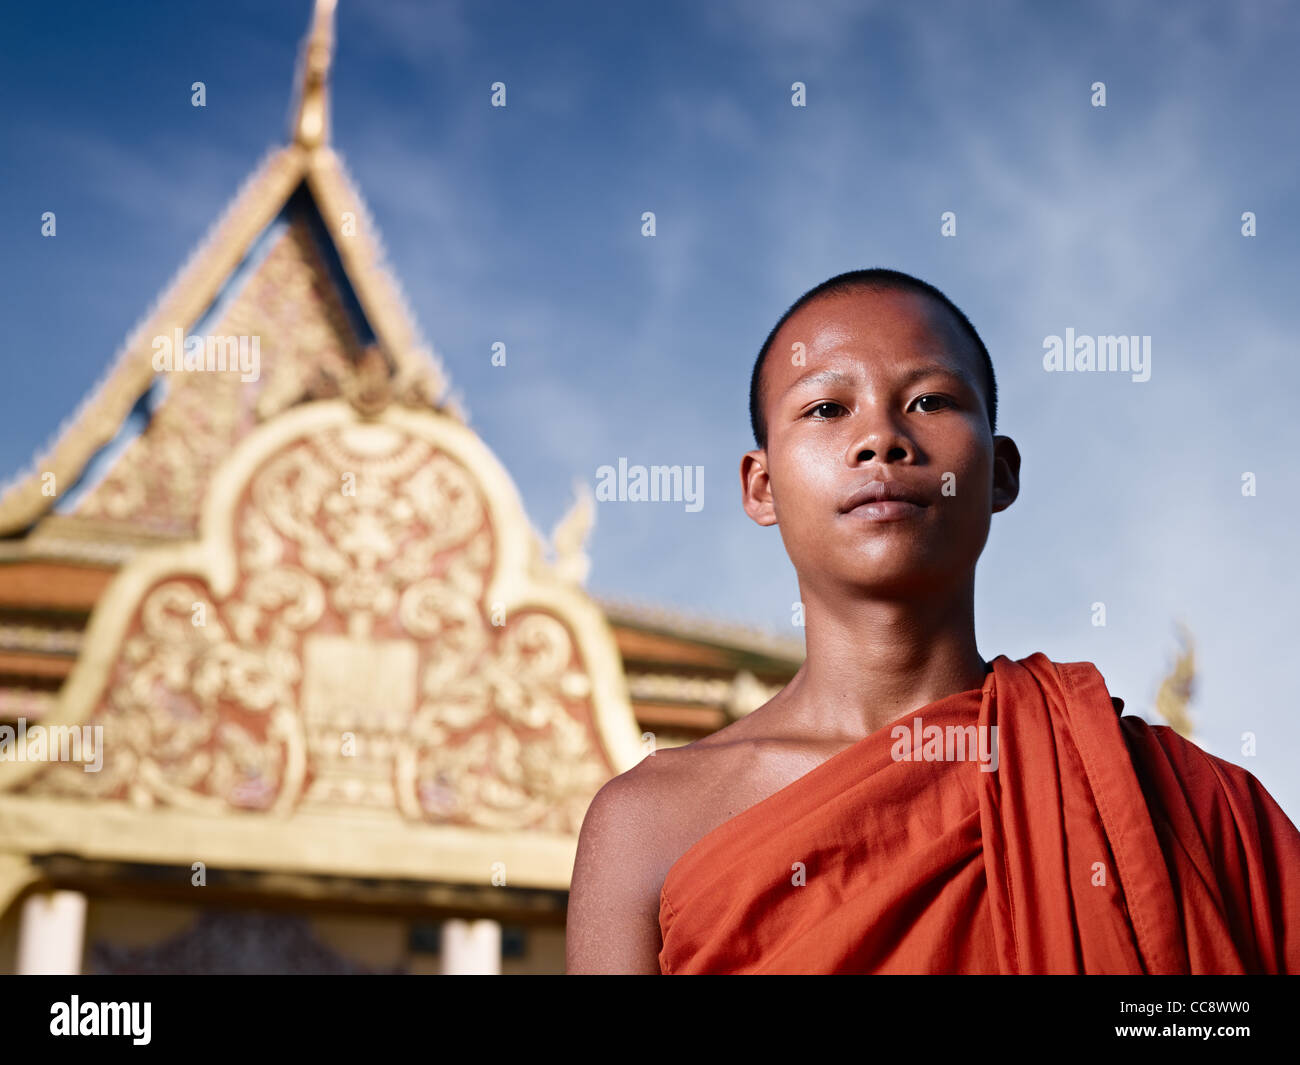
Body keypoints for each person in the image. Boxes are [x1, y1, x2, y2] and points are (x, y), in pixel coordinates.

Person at [565, 268, 1300, 974]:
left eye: (930, 401)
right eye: (827, 408)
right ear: (762, 486)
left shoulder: (1181, 802)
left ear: (1002, 470)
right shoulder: (647, 823)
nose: (881, 438)